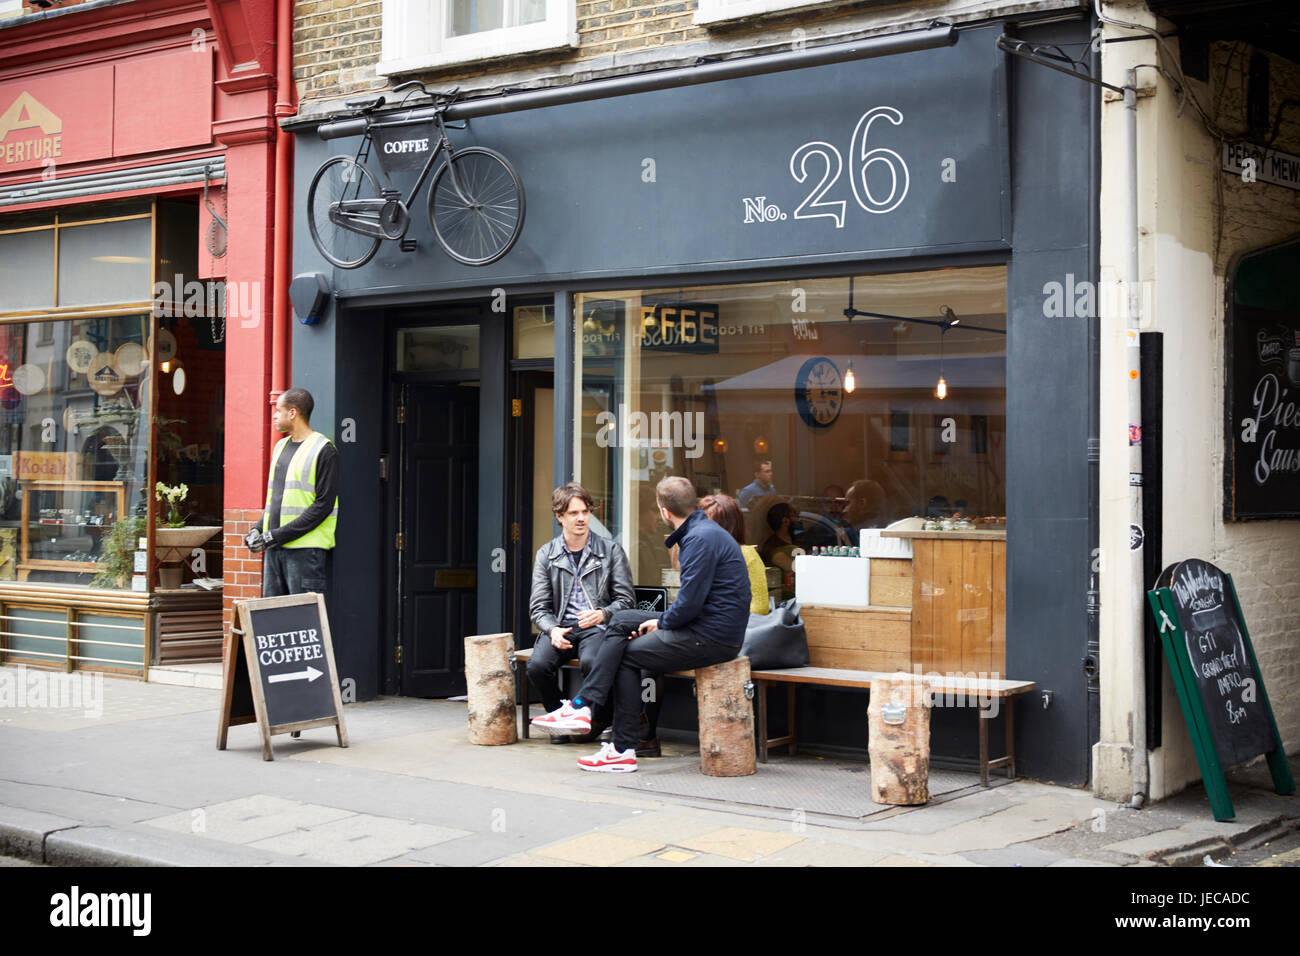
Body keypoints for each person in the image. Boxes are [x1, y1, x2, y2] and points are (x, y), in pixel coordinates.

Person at [531, 476, 751, 772]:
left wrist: (662, 623)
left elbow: (689, 605)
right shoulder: (702, 532)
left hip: (711, 637)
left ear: (664, 511)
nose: (582, 518)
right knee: (620, 621)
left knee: (625, 656)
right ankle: (583, 708)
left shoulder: (698, 539)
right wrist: (662, 620)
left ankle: (619, 746)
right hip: (707, 627)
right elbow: (690, 604)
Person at [527, 482, 634, 744]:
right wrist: (552, 630)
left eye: (585, 512)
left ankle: (597, 719)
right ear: (559, 517)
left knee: (592, 662)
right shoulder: (547, 554)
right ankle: (560, 718)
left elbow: (627, 600)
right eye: (573, 513)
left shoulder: (610, 551)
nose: (581, 518)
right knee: (537, 666)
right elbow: (538, 607)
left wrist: (602, 614)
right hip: (561, 626)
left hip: (596, 627)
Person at [245, 388, 338, 597]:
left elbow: (323, 505)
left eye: (279, 411)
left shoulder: (324, 449)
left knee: (304, 622)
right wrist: (258, 529)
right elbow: (275, 499)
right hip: (274, 549)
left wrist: (274, 536)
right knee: (273, 621)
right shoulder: (280, 447)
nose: (275, 415)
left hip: (305, 552)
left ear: (293, 413)